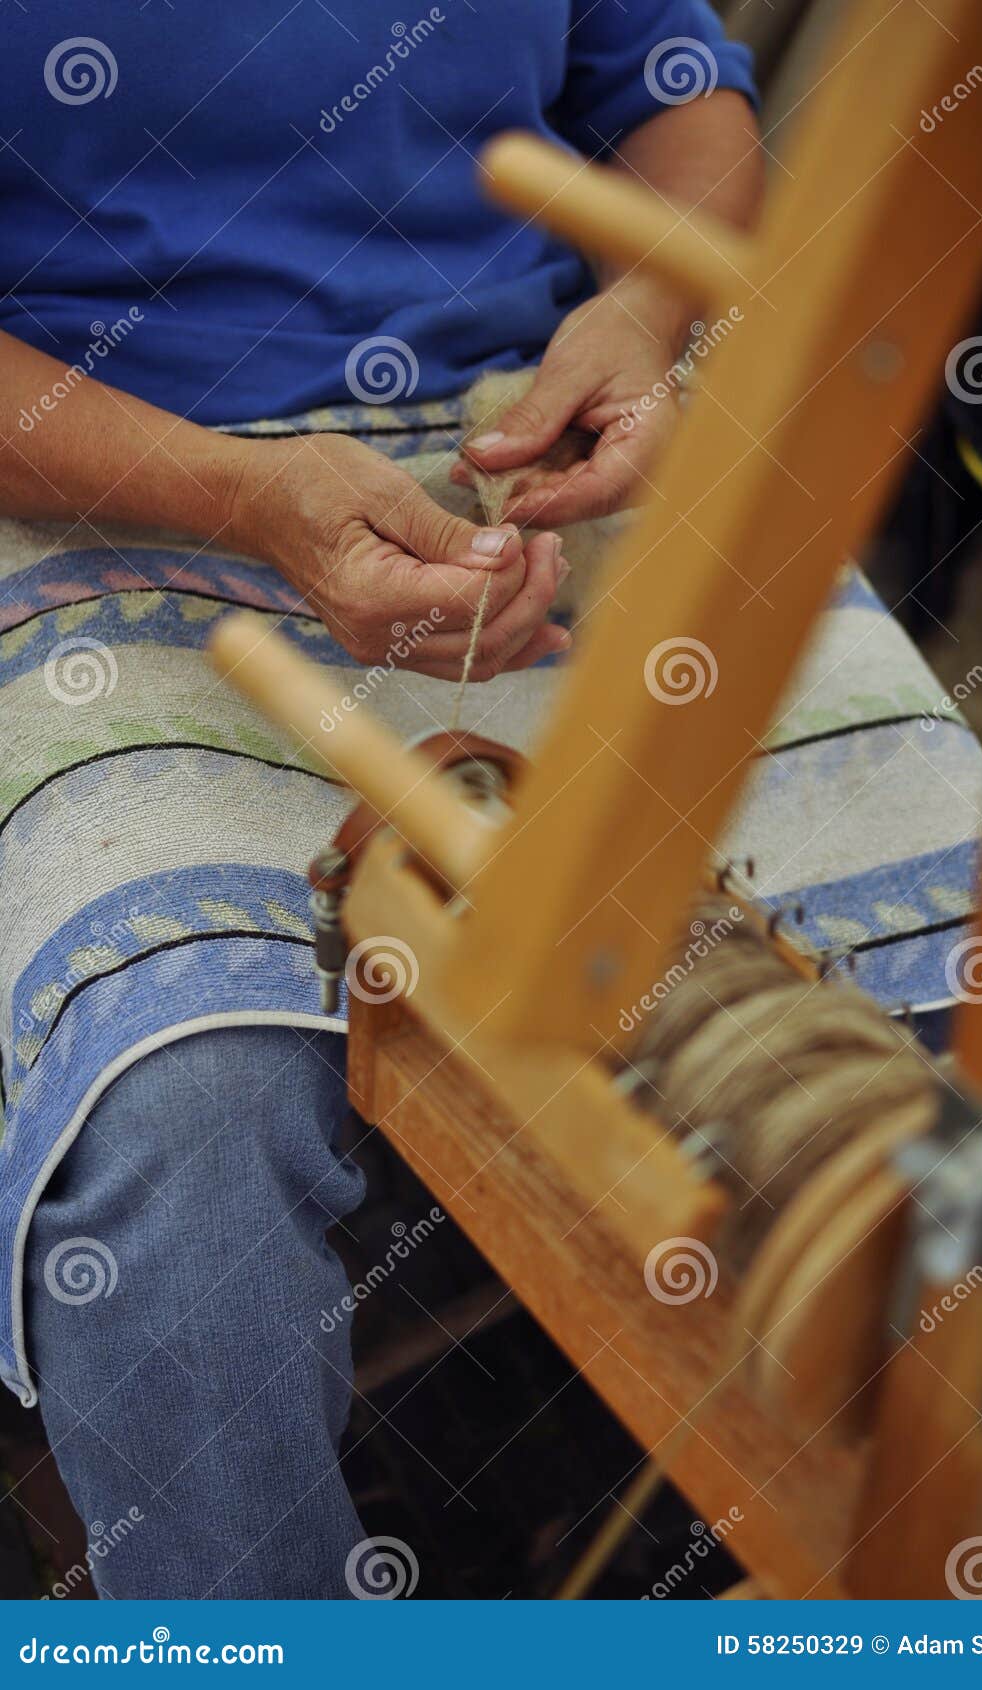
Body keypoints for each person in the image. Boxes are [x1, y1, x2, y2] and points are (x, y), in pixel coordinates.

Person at [0, 5, 760, 1596]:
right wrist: (240, 493)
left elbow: (677, 102)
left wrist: (644, 307)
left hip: (535, 440)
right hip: (89, 476)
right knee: (182, 1131)